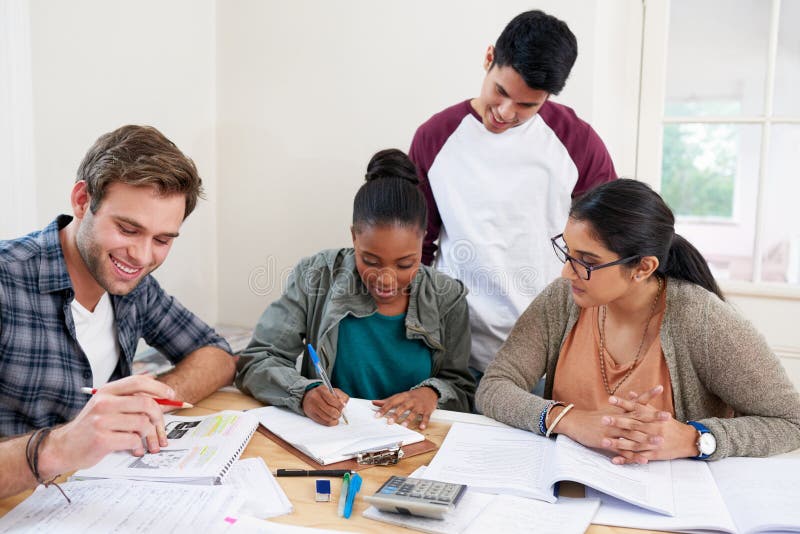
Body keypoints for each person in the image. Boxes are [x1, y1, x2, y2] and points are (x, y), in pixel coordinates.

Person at [476, 179, 800, 462]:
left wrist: (694, 439)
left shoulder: (703, 320)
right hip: (567, 489)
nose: (566, 272)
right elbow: (493, 387)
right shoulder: (563, 298)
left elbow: (792, 421)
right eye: (568, 252)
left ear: (643, 268)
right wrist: (569, 419)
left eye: (587, 262)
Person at [0, 125, 235, 497]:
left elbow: (217, 355)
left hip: (102, 497)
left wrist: (150, 400)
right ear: (82, 201)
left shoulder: (132, 285)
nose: (142, 257)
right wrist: (59, 447)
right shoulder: (6, 280)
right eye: (128, 229)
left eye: (161, 240)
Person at [410, 10, 616, 381]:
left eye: (526, 105)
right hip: (453, 353)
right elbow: (417, 247)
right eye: (500, 92)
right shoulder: (435, 137)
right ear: (489, 58)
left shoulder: (577, 142)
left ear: (547, 97)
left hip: (551, 353)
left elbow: (608, 249)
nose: (505, 113)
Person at [236, 149, 475, 428]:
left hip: (415, 442)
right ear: (353, 237)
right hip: (335, 437)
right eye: (371, 261)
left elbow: (462, 388)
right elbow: (257, 360)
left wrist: (431, 393)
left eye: (405, 264)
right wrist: (303, 393)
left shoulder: (448, 297)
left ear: (423, 241)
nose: (386, 280)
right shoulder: (317, 276)